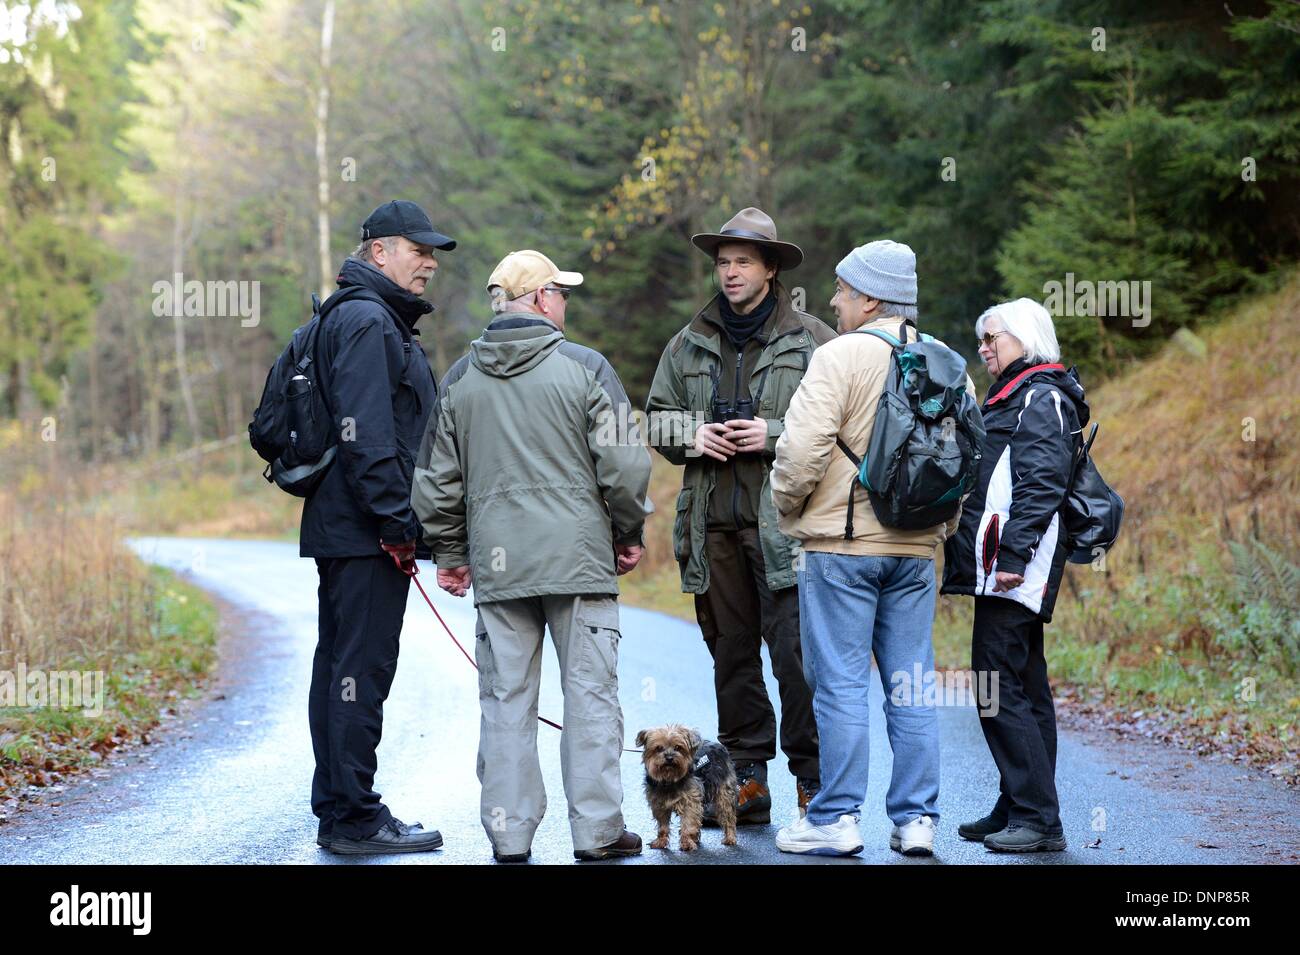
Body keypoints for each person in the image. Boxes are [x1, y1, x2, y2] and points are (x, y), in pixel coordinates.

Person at [412, 249, 653, 863]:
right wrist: (627, 530)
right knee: (591, 698)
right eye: (561, 293)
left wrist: (450, 551)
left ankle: (510, 836)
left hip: (499, 567)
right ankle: (598, 833)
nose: (565, 303)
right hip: (577, 562)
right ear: (542, 298)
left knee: (505, 702)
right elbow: (624, 462)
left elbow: (438, 480)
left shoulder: (462, 377)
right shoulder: (586, 367)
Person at [769, 239, 972, 856]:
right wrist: (937, 531)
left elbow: (801, 453)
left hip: (843, 546)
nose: (832, 300)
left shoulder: (840, 357)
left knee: (839, 685)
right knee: (910, 684)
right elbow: (961, 460)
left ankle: (836, 817)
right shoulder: (943, 361)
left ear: (871, 298)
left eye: (842, 290)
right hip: (914, 551)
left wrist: (786, 505)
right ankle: (916, 821)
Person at [645, 207, 835, 824]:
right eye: (723, 262)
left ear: (771, 269)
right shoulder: (688, 340)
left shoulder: (812, 340)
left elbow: (844, 420)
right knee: (732, 658)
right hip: (713, 530)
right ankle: (747, 781)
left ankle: (813, 780)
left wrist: (773, 433)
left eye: (743, 262)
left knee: (796, 659)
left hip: (786, 529)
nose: (730, 273)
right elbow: (655, 416)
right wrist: (693, 434)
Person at [302, 199, 454, 854]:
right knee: (359, 671)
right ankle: (354, 818)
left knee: (341, 668)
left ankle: (341, 806)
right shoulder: (368, 321)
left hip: (348, 527)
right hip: (364, 532)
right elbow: (364, 433)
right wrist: (397, 524)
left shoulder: (363, 316)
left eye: (432, 254)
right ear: (380, 252)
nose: (428, 264)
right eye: (418, 250)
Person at [941, 297, 1085, 853]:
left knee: (994, 683)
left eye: (992, 337)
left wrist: (1013, 556)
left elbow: (1044, 481)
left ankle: (1038, 818)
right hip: (1004, 560)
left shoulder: (1042, 396)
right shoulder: (1017, 394)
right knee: (1023, 685)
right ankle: (1019, 804)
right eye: (980, 339)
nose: (984, 348)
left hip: (1017, 562)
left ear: (1026, 337)